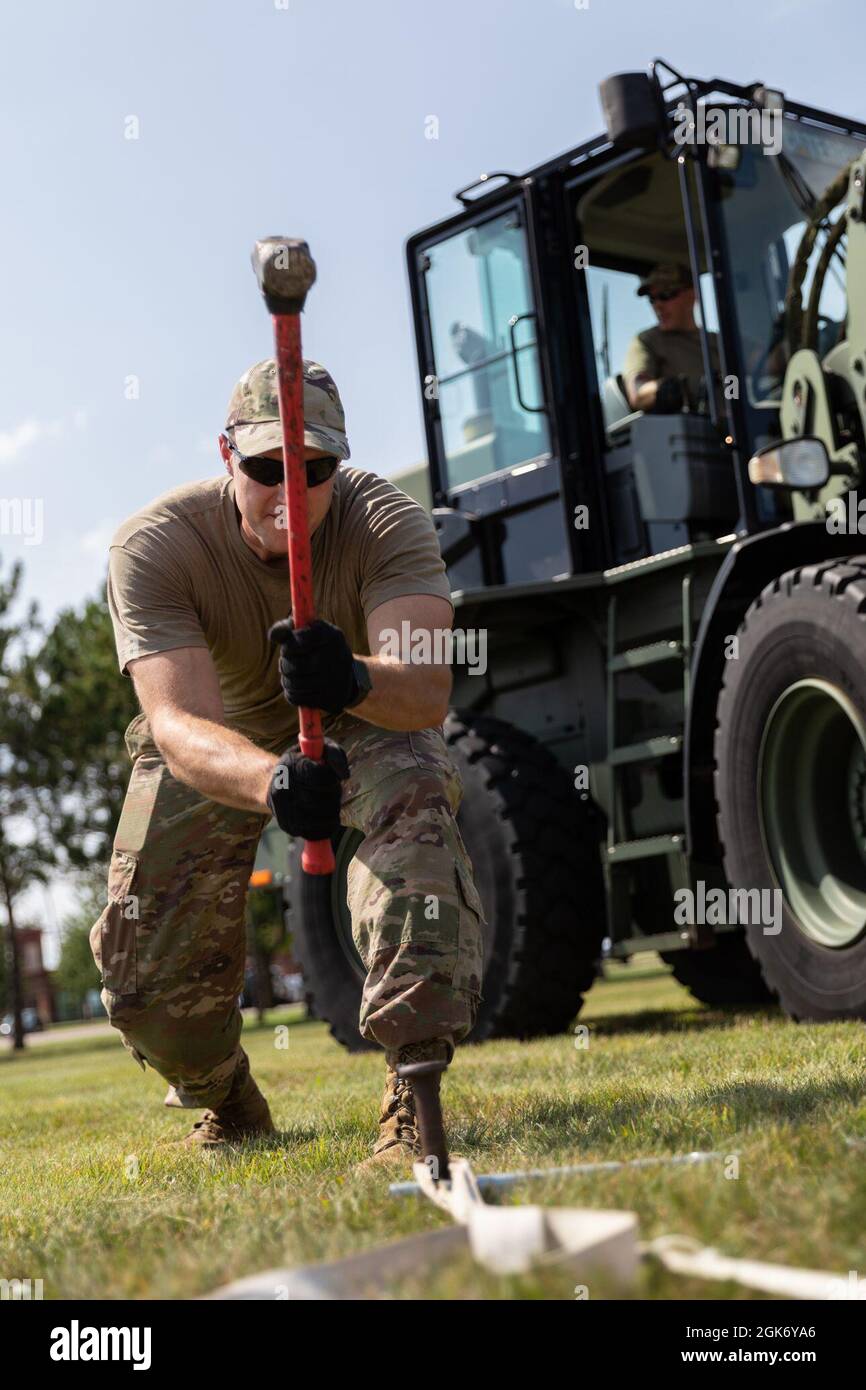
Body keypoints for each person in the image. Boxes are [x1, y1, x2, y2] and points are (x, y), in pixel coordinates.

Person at [90, 357, 485, 1163]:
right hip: (219, 747)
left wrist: (352, 676)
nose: (289, 492)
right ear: (227, 454)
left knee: (416, 789)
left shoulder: (387, 522)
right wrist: (271, 780)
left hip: (360, 720)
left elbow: (427, 693)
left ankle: (413, 1086)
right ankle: (225, 1096)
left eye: (314, 470)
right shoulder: (154, 546)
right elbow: (175, 723)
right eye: (268, 467)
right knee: (139, 969)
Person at [622, 263, 721, 414]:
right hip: (692, 432)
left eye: (666, 295)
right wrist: (671, 389)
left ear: (693, 294)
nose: (658, 305)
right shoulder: (648, 341)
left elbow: (765, 364)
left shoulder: (720, 342)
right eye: (652, 299)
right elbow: (639, 393)